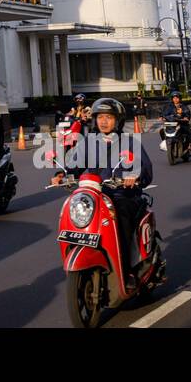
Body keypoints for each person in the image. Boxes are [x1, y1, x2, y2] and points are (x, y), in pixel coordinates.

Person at [51, 98, 158, 284]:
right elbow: (74, 164)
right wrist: (62, 173)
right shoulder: (89, 143)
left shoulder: (129, 143)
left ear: (118, 120)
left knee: (121, 219)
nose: (103, 121)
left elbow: (145, 169)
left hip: (122, 195)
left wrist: (135, 176)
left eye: (108, 117)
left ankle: (128, 271)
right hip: (95, 195)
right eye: (100, 117)